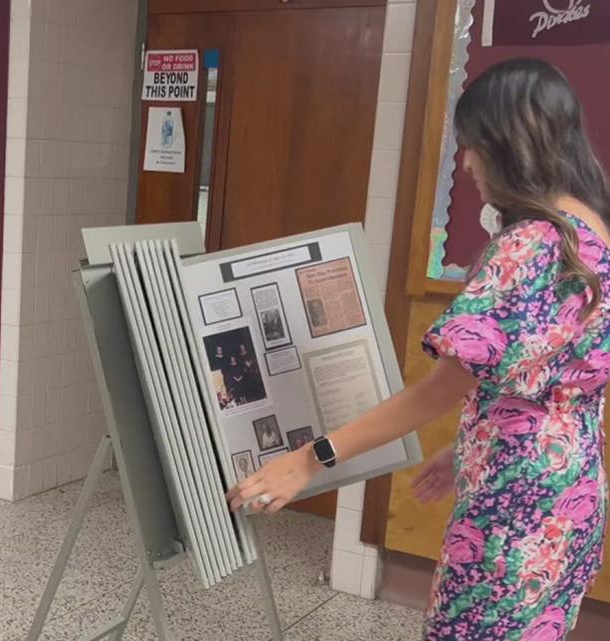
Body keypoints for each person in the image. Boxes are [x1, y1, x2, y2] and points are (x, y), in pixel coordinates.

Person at [228, 59, 609, 641]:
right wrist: (469, 445)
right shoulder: (595, 233)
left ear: (510, 146)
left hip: (515, 503)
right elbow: (552, 379)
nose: (469, 162)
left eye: (474, 146)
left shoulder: (530, 243)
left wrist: (310, 460)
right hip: (572, 487)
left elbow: (439, 390)